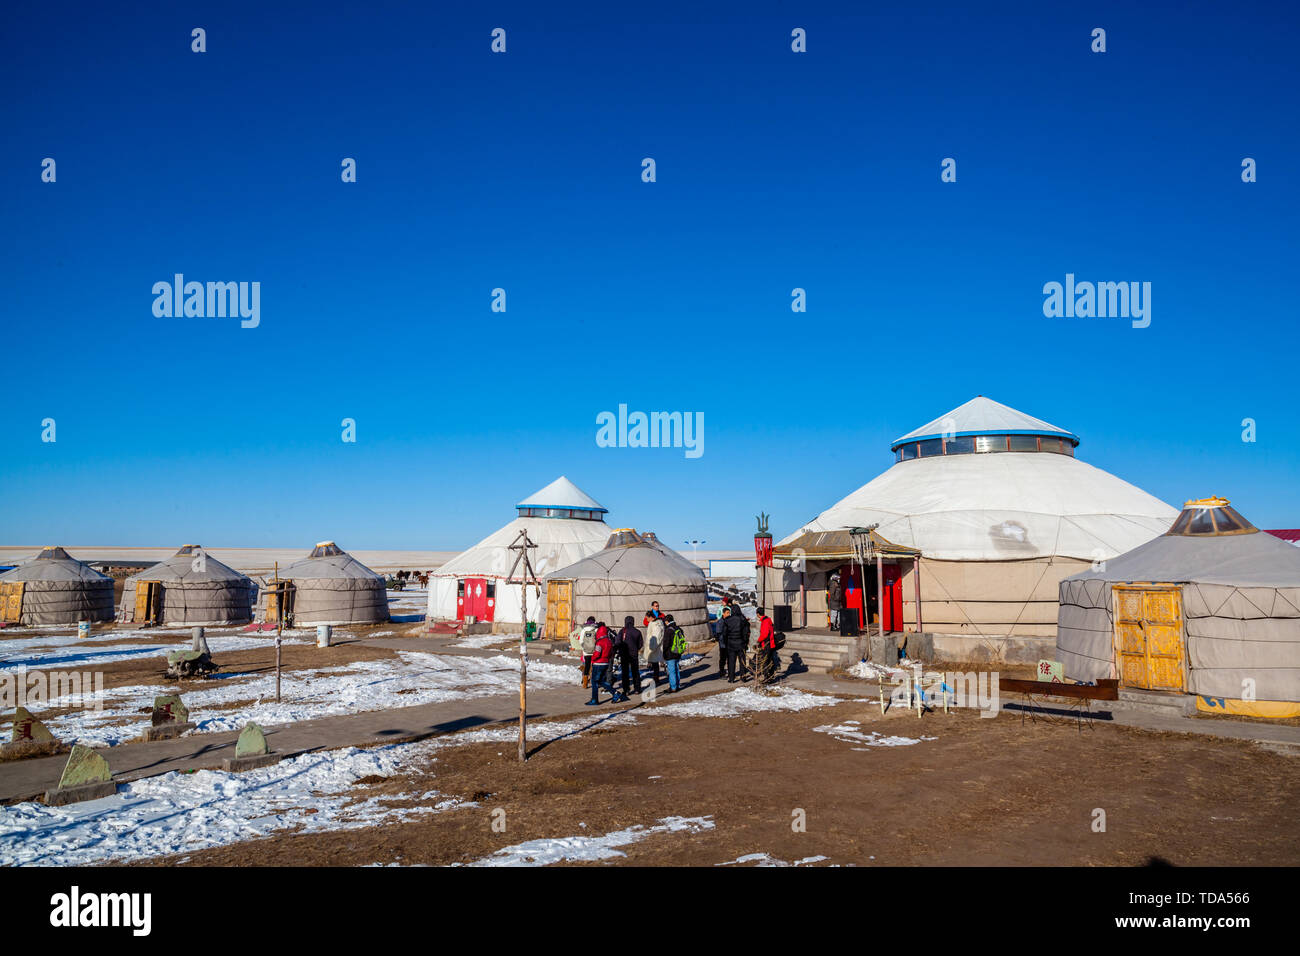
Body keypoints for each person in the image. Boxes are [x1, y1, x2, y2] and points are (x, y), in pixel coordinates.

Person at [586, 623, 620, 705]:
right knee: (601, 681)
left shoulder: (599, 642)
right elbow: (611, 653)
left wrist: (592, 659)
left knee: (594, 682)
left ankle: (594, 700)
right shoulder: (608, 641)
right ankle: (615, 693)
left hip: (598, 664)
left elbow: (597, 653)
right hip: (605, 663)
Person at [719, 605, 750, 683]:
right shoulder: (743, 619)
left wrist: (726, 642)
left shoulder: (727, 620)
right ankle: (743, 677)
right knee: (742, 661)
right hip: (741, 643)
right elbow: (746, 633)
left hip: (731, 644)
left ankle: (731, 678)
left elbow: (724, 634)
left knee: (731, 661)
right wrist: (746, 642)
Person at [616, 615, 643, 696]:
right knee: (635, 672)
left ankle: (626, 690)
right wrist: (635, 648)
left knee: (625, 673)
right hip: (634, 654)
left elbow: (617, 642)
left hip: (624, 655)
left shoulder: (622, 631)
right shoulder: (637, 632)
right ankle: (637, 689)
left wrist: (620, 650)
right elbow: (640, 644)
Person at [570, 615, 598, 688]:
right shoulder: (596, 629)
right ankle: (594, 682)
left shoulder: (583, 630)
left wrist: (584, 647)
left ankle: (585, 684)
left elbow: (581, 640)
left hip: (586, 652)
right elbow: (597, 640)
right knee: (594, 667)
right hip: (594, 651)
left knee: (587, 666)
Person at [662, 613, 686, 692]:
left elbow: (666, 643)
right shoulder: (678, 628)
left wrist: (663, 653)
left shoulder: (668, 630)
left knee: (671, 671)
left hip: (670, 653)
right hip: (677, 652)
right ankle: (677, 685)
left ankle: (673, 687)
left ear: (667, 621)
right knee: (676, 669)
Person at [754, 607, 778, 684]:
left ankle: (766, 678)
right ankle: (770, 677)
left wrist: (758, 641)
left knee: (765, 661)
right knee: (769, 660)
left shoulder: (764, 622)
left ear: (758, 614)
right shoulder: (768, 620)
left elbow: (764, 634)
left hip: (766, 644)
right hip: (771, 644)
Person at [643, 613, 665, 685]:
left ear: (650, 617)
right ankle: (655, 677)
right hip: (652, 646)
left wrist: (652, 647)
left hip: (655, 647)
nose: (646, 619)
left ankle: (656, 679)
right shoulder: (652, 623)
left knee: (655, 664)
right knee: (654, 663)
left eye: (647, 618)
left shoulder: (656, 625)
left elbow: (657, 637)